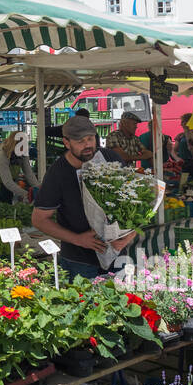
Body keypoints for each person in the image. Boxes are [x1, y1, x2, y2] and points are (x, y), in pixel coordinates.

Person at [32, 116, 133, 280]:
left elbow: (134, 204)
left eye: (90, 139)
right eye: (80, 141)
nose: (87, 145)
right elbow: (39, 219)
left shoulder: (111, 159)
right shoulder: (58, 173)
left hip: (118, 255)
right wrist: (78, 239)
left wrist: (128, 236)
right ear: (66, 142)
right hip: (79, 261)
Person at [0, 132, 37, 206]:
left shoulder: (22, 154)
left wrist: (38, 188)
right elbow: (8, 182)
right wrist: (26, 194)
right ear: (14, 144)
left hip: (8, 190)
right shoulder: (0, 155)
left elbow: (29, 174)